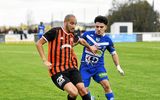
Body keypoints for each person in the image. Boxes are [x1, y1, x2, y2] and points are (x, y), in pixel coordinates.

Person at [36, 14, 96, 100]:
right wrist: (44, 60)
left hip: (72, 68)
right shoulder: (55, 31)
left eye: (75, 24)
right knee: (74, 92)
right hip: (57, 71)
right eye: (71, 23)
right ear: (65, 22)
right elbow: (39, 43)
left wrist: (90, 47)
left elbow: (81, 41)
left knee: (83, 90)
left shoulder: (72, 35)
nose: (74, 26)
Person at [79, 15, 125, 100]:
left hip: (98, 67)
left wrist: (118, 66)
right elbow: (79, 40)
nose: (99, 29)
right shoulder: (87, 35)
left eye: (101, 27)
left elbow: (113, 53)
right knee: (82, 89)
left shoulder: (108, 40)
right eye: (97, 26)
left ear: (106, 27)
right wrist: (89, 46)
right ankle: (91, 98)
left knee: (106, 85)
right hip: (85, 67)